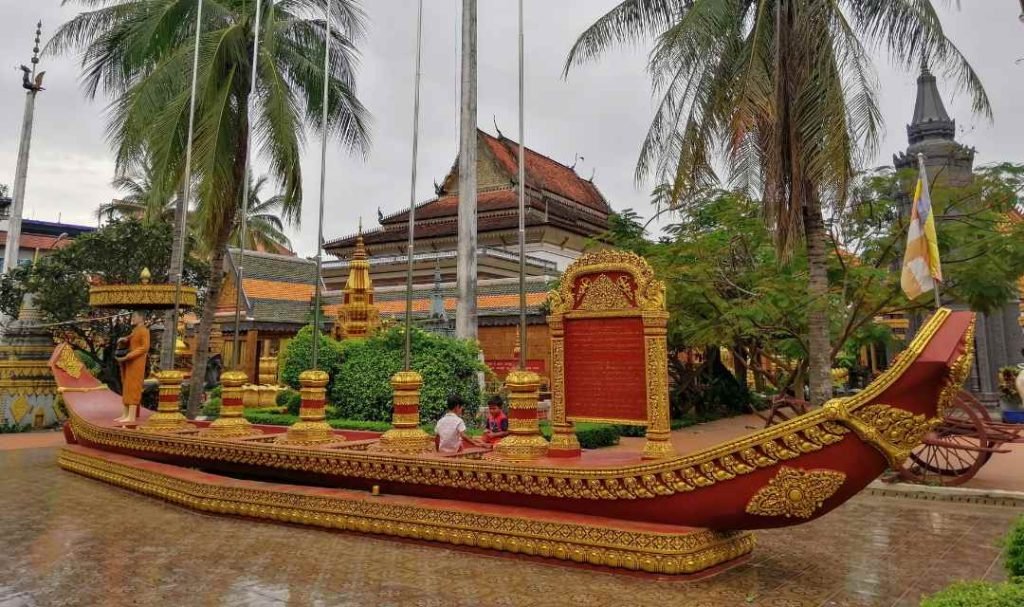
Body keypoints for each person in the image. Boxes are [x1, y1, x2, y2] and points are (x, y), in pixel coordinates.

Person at [114, 311, 150, 424]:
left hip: (137, 362)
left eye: (135, 316)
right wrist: (124, 339)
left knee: (134, 386)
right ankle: (125, 413)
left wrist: (129, 356)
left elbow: (144, 348)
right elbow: (129, 339)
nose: (133, 318)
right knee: (127, 385)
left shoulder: (144, 331)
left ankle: (131, 416)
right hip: (129, 362)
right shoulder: (135, 330)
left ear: (141, 318)